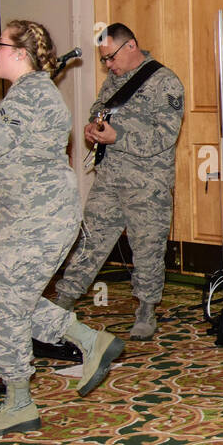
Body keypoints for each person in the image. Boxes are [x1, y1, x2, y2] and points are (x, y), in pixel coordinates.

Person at [0, 20, 124, 435]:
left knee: (1, 310)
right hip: (32, 219)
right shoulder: (26, 95)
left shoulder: (29, 94)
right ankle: (88, 340)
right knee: (14, 304)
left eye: (0, 46)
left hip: (38, 222)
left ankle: (19, 402)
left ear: (20, 54)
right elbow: (4, 139)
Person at [53, 23, 184, 341]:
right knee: (89, 243)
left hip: (147, 185)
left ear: (131, 46)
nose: (108, 65)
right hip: (110, 179)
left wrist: (118, 136)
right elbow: (101, 108)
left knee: (147, 250)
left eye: (110, 57)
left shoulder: (166, 82)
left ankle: (146, 310)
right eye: (104, 60)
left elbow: (165, 136)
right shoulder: (114, 80)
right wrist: (93, 127)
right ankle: (63, 302)